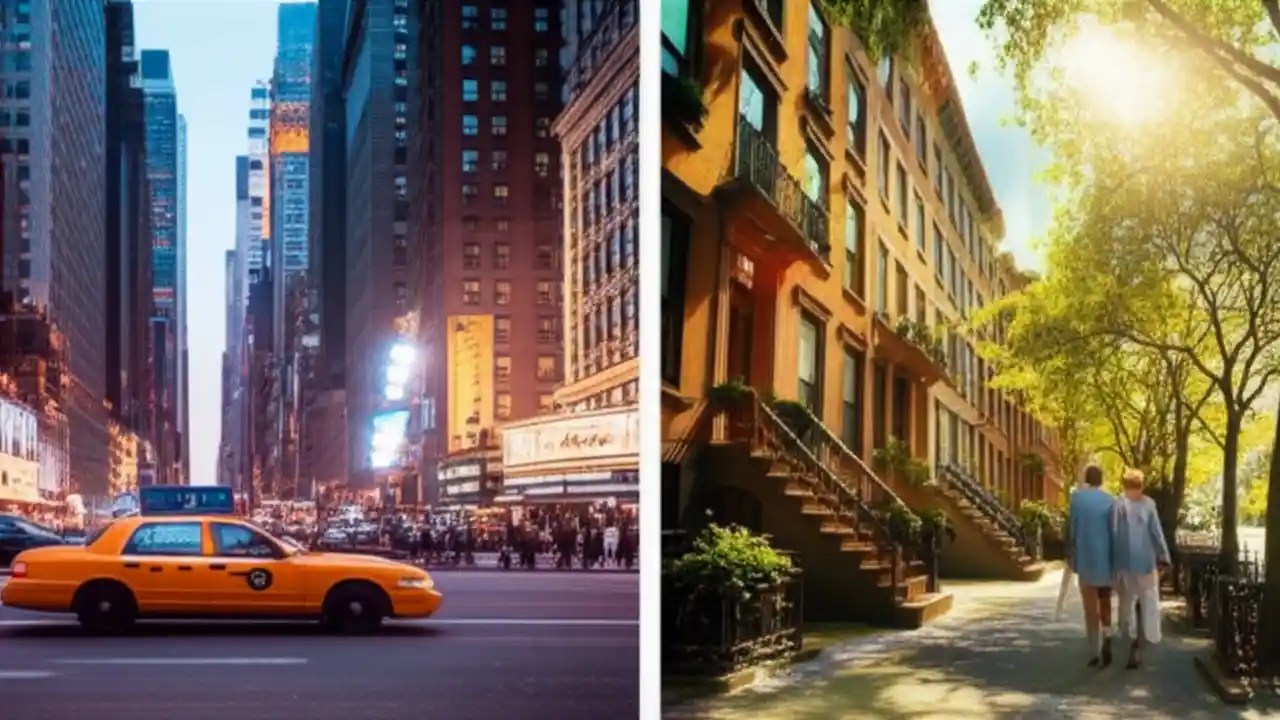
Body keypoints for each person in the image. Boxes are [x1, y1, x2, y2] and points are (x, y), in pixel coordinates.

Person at [1111, 468, 1171, 669]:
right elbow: (1156, 532)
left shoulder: (1118, 504)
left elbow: (1113, 534)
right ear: (1141, 486)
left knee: (1128, 603)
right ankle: (1138, 645)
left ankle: (1132, 641)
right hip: (1144, 563)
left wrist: (1111, 562)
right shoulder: (1148, 504)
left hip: (1125, 564)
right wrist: (1164, 557)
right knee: (1146, 603)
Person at [1069, 465, 1117, 666]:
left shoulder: (1077, 499)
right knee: (1105, 601)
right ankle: (1107, 634)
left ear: (1087, 479)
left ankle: (1093, 651)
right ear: (1101, 479)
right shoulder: (1110, 501)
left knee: (1090, 608)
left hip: (1086, 558)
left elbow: (1072, 529)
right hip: (1105, 559)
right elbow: (1114, 532)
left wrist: (1071, 555)